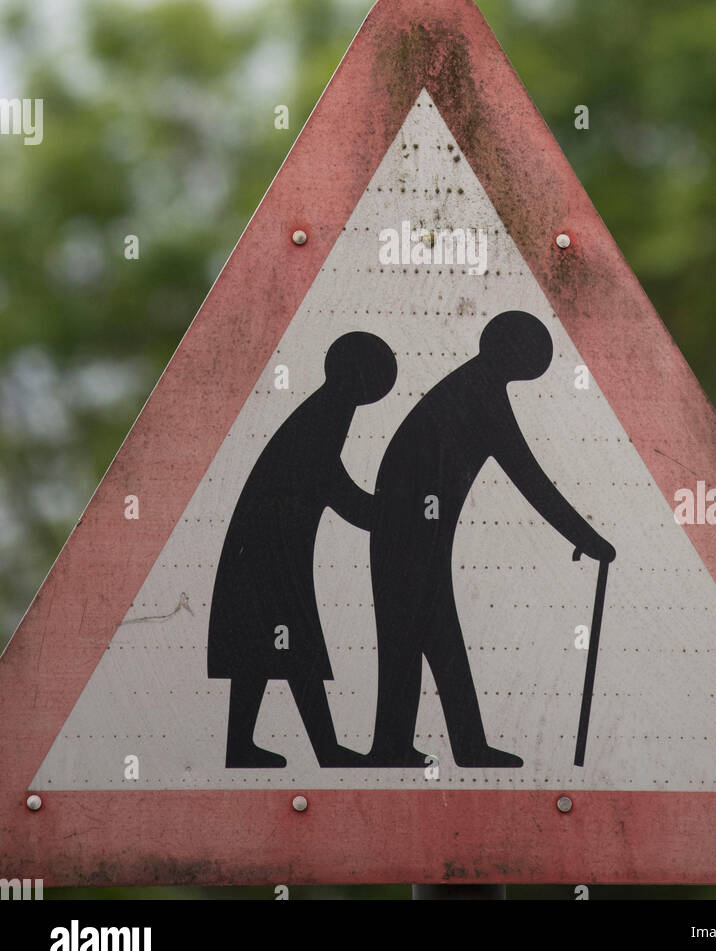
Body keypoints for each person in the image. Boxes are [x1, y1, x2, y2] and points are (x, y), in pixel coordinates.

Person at [365, 310, 615, 768]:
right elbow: (529, 476)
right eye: (533, 351)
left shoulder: (473, 386)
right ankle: (406, 746)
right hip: (408, 535)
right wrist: (589, 539)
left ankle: (446, 746)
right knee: (415, 640)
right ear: (510, 350)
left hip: (413, 534)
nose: (539, 361)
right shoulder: (479, 394)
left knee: (434, 638)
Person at [207, 331, 397, 768]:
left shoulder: (329, 407)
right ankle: (316, 751)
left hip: (270, 550)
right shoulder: (327, 412)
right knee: (287, 648)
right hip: (268, 553)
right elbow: (330, 482)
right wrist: (385, 516)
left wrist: (375, 513)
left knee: (272, 650)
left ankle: (254, 747)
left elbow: (326, 481)